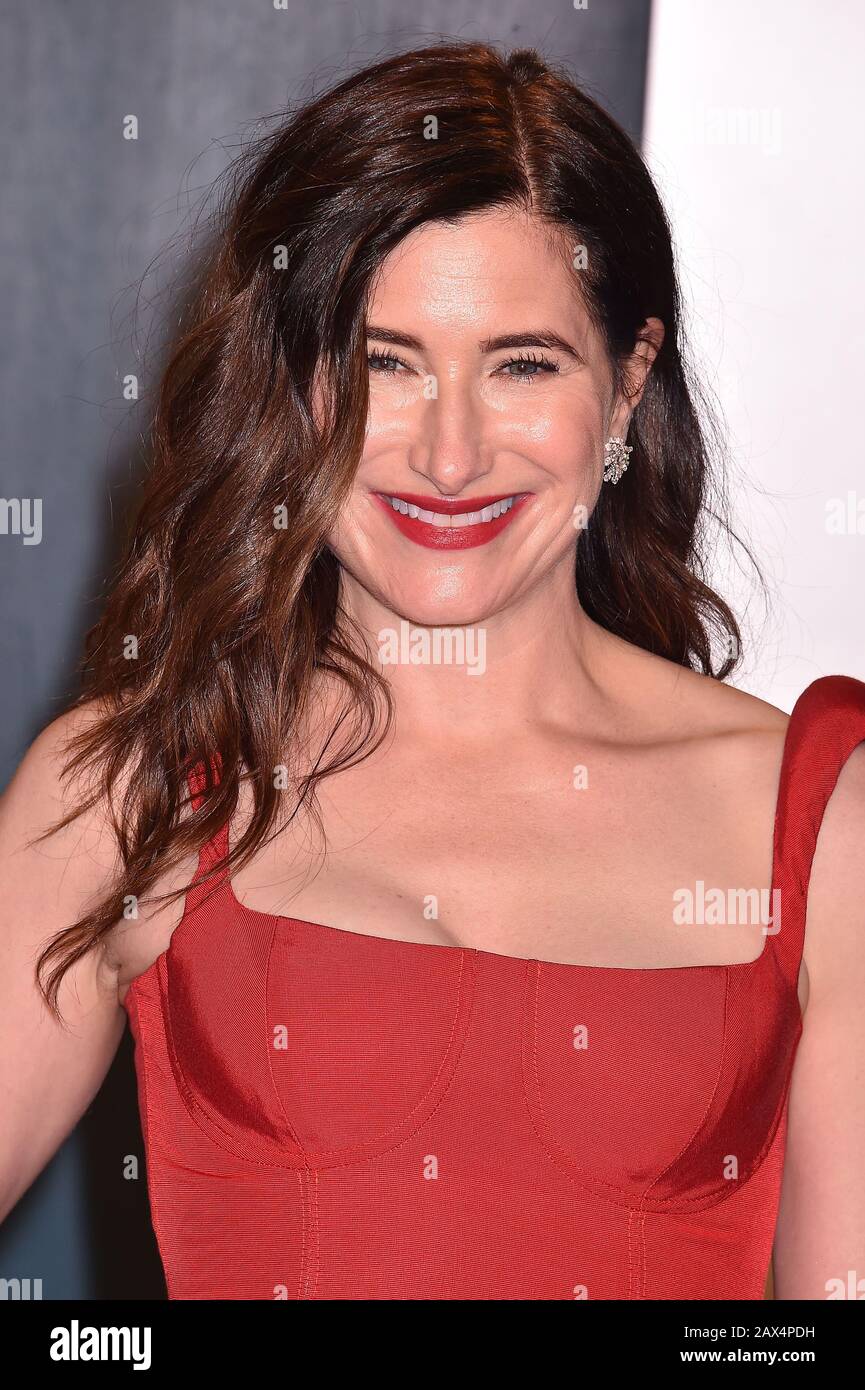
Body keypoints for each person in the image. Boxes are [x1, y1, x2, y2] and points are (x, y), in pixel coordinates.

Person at [1, 40, 863, 1302]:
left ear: (626, 384)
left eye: (522, 363)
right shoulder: (127, 790)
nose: (447, 454)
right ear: (293, 386)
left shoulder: (818, 825)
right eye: (381, 362)